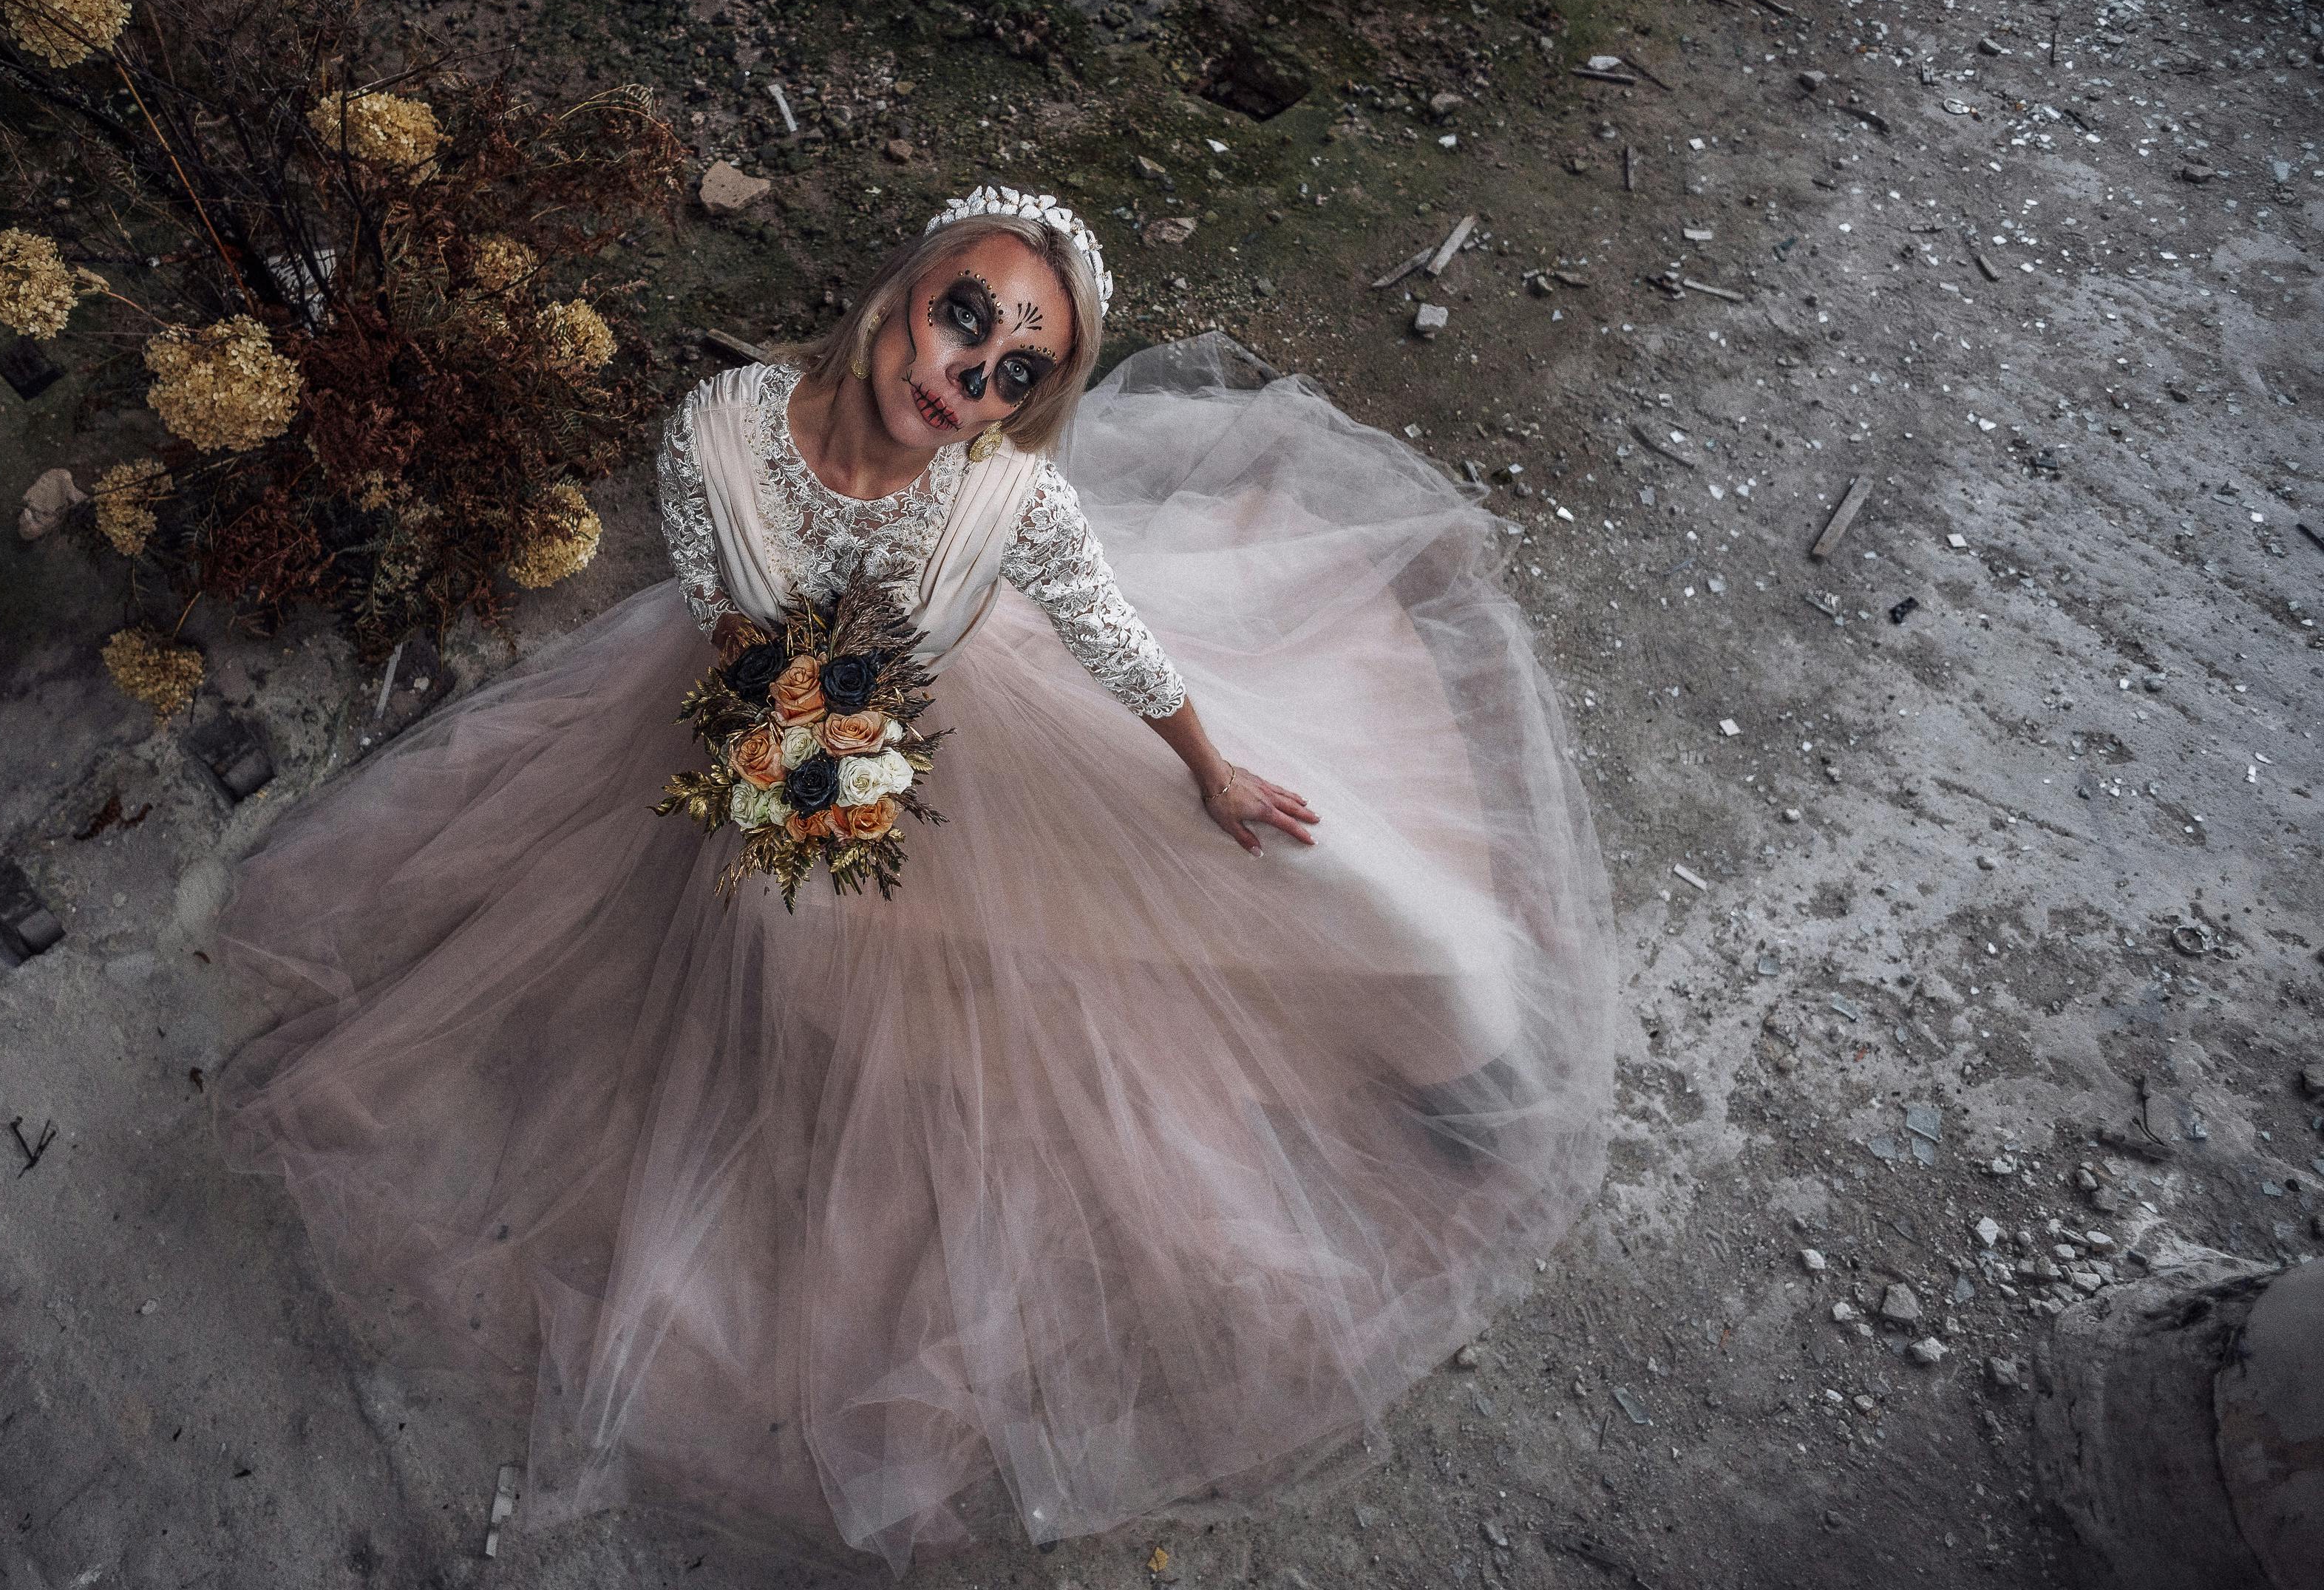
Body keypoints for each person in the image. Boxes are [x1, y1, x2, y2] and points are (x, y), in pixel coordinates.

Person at [207, 183, 1615, 1576]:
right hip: (775, 734)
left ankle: (1443, 1031)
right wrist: (779, 747)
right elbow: (712, 604)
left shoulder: (1014, 500)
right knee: (785, 935)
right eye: (963, 321)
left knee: (1284, 874)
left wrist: (1210, 768)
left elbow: (1118, 644)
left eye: (1018, 371)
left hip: (987, 714)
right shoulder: (719, 426)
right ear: (901, 291)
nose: (969, 377)